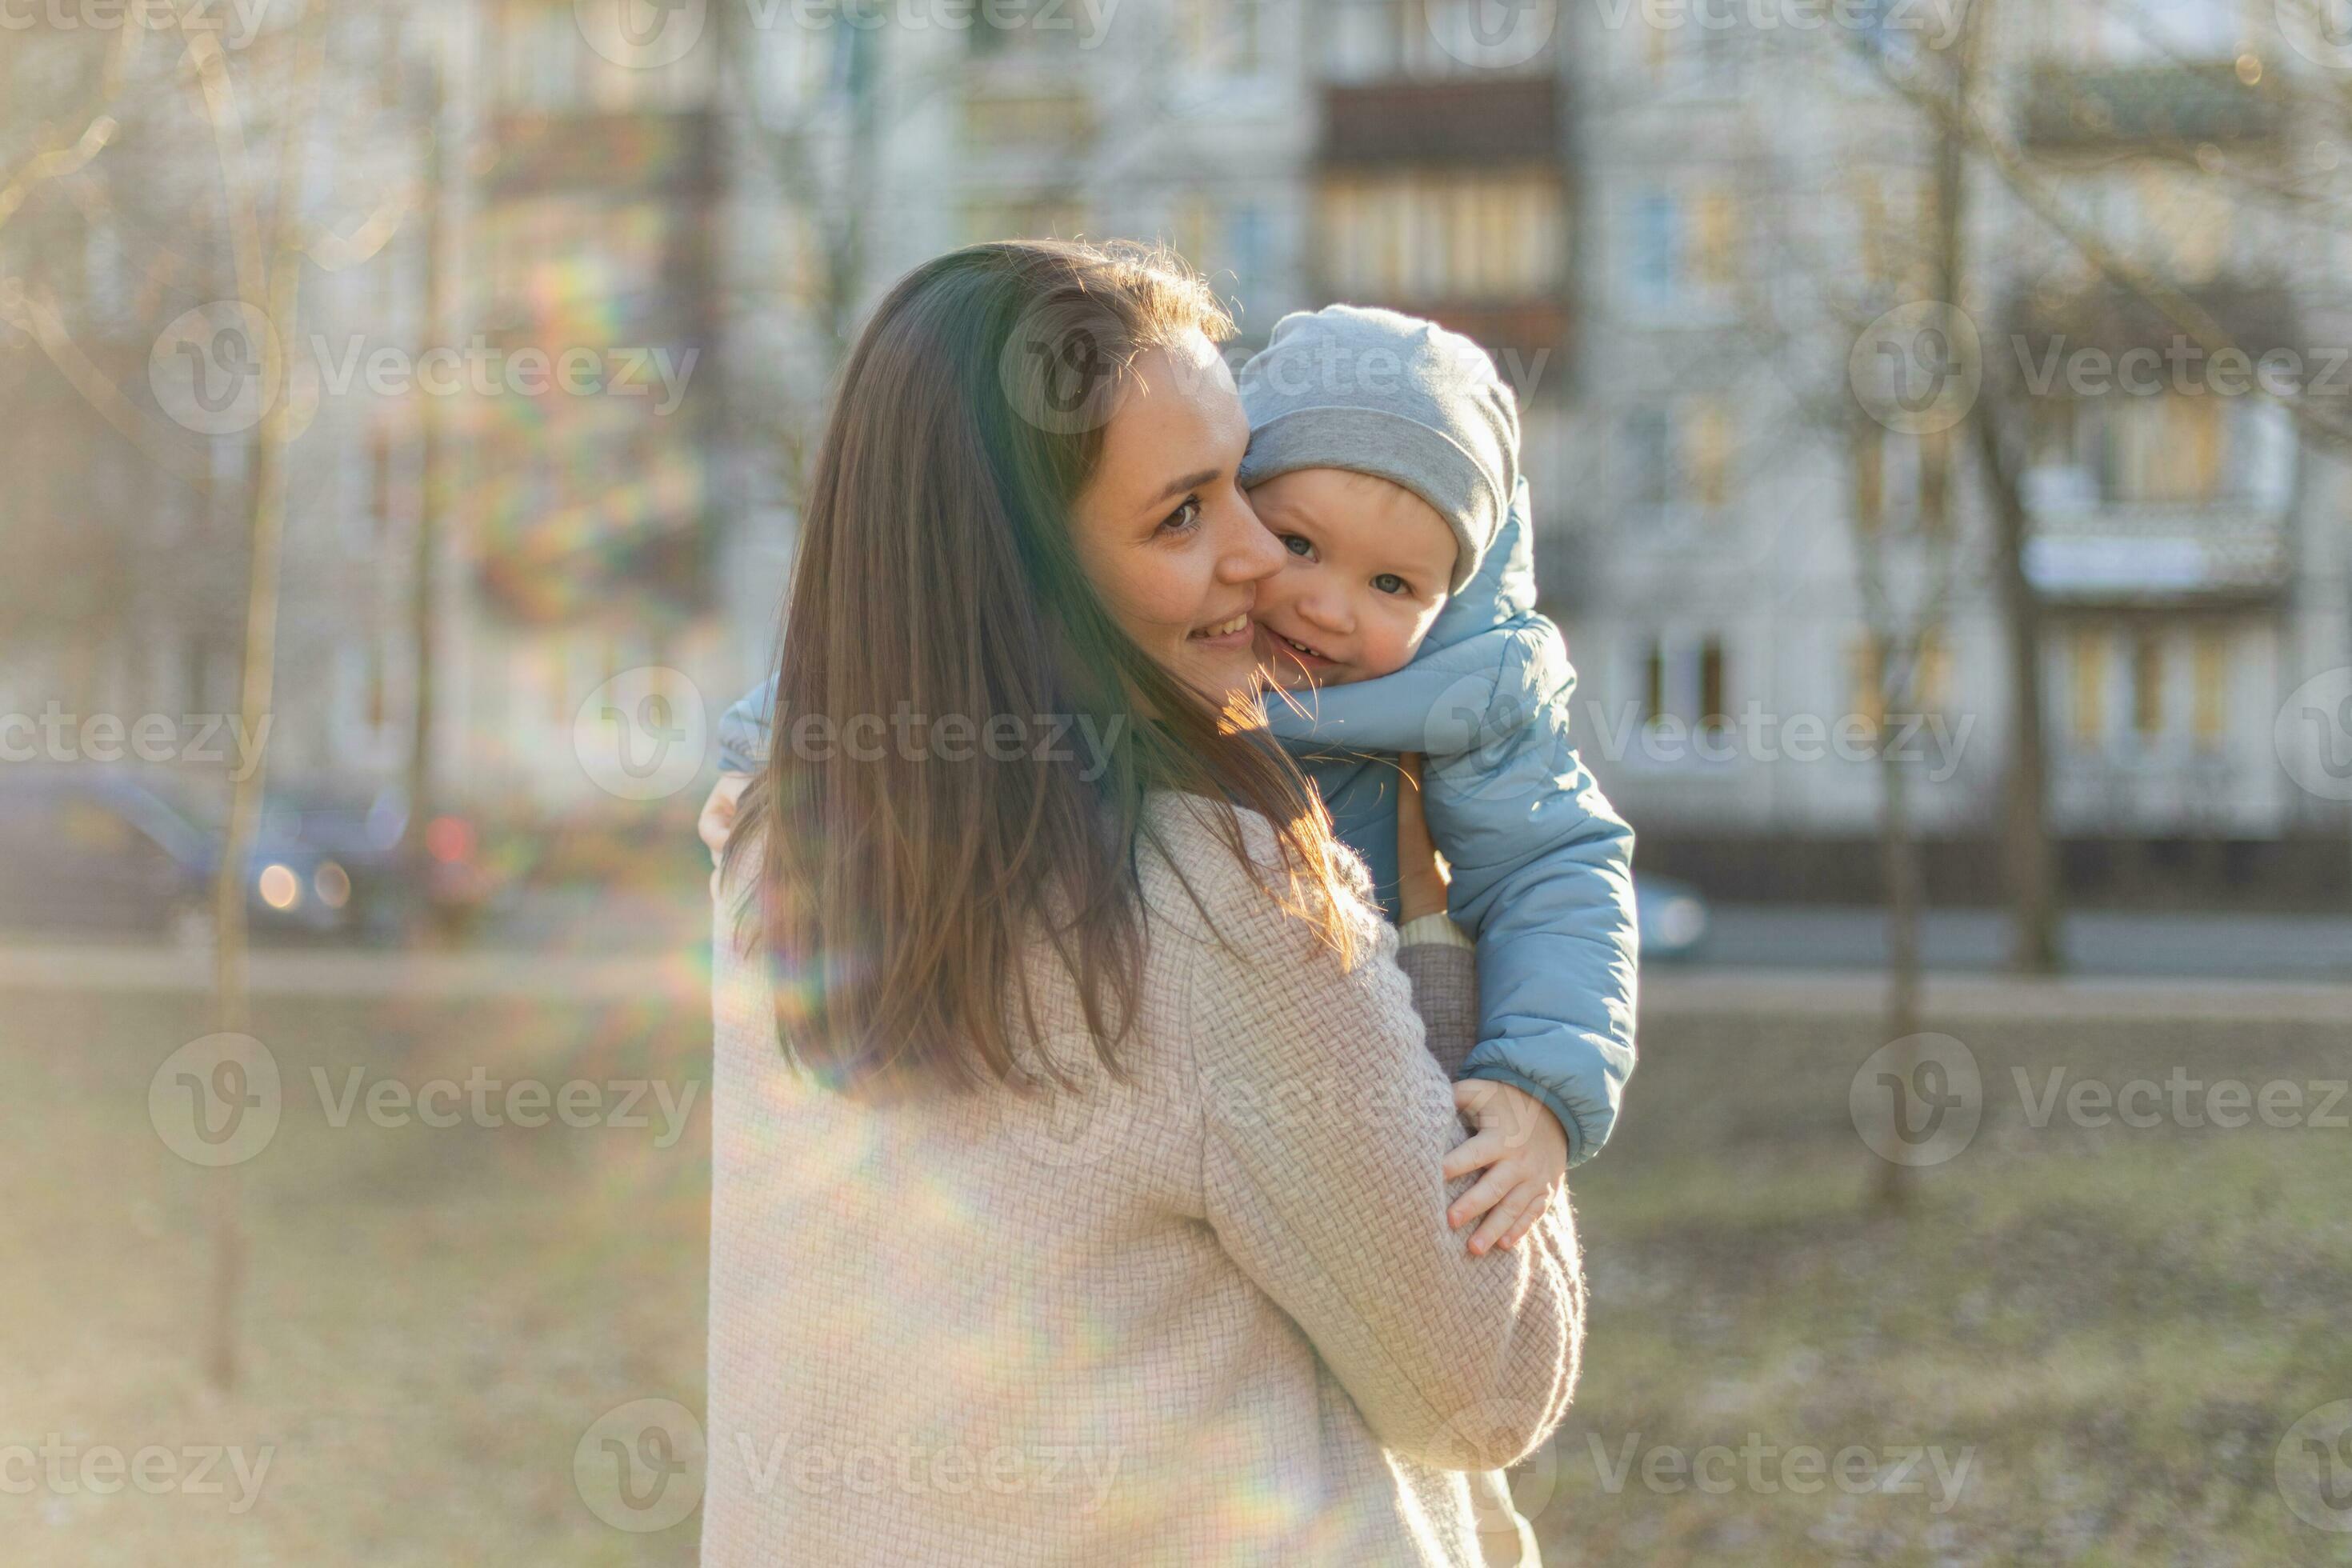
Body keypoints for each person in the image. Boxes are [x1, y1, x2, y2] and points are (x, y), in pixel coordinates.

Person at [704, 239, 1583, 1565]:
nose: (1257, 558)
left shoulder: (780, 852)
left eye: (1242, 480)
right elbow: (1486, 1384)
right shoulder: (1209, 902)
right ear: (1023, 583)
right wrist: (1440, 950)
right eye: (1181, 515)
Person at [708, 304, 1640, 1258]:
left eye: (1393, 586)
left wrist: (1541, 1083)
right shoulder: (1147, 633)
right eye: (1300, 543)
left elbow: (1556, 871)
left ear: (1449, 604)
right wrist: (777, 754)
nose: (1326, 606)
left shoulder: (1468, 700)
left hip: (1350, 1074)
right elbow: (941, 657)